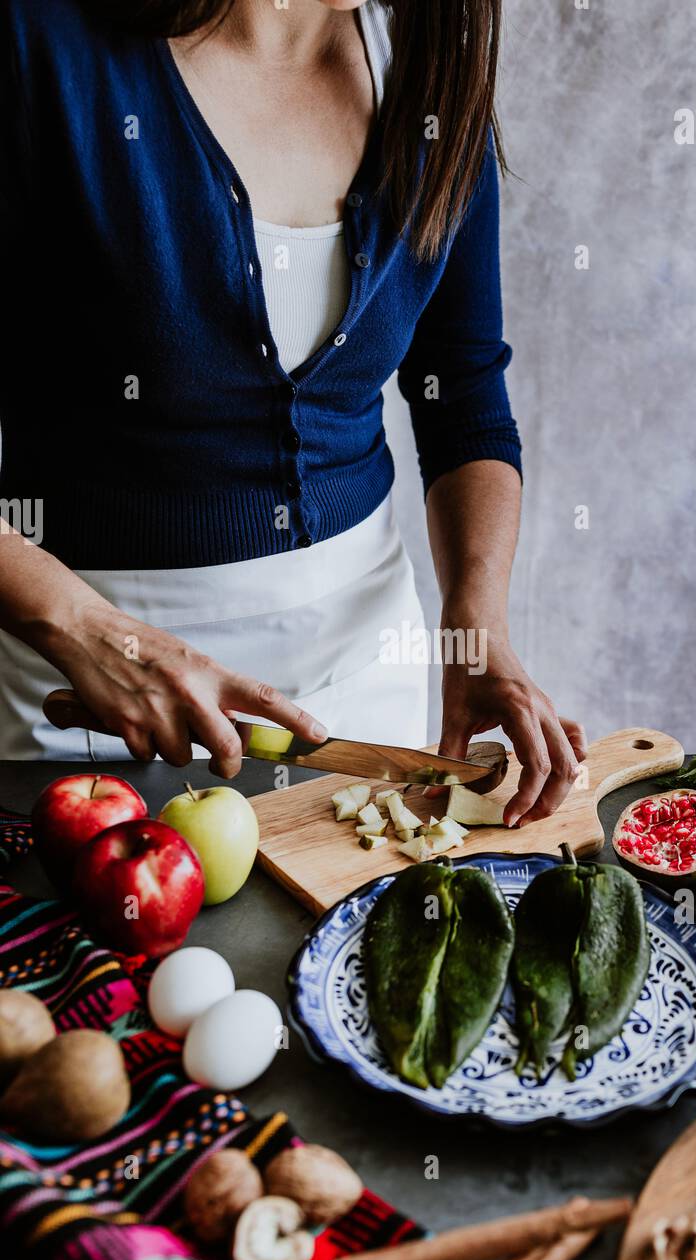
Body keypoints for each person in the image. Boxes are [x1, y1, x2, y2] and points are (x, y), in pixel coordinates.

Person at [0, 0, 585, 827]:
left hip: (363, 699)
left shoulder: (427, 71)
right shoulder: (39, 43)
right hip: (87, 707)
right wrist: (84, 631)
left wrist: (476, 624)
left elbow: (462, 398)